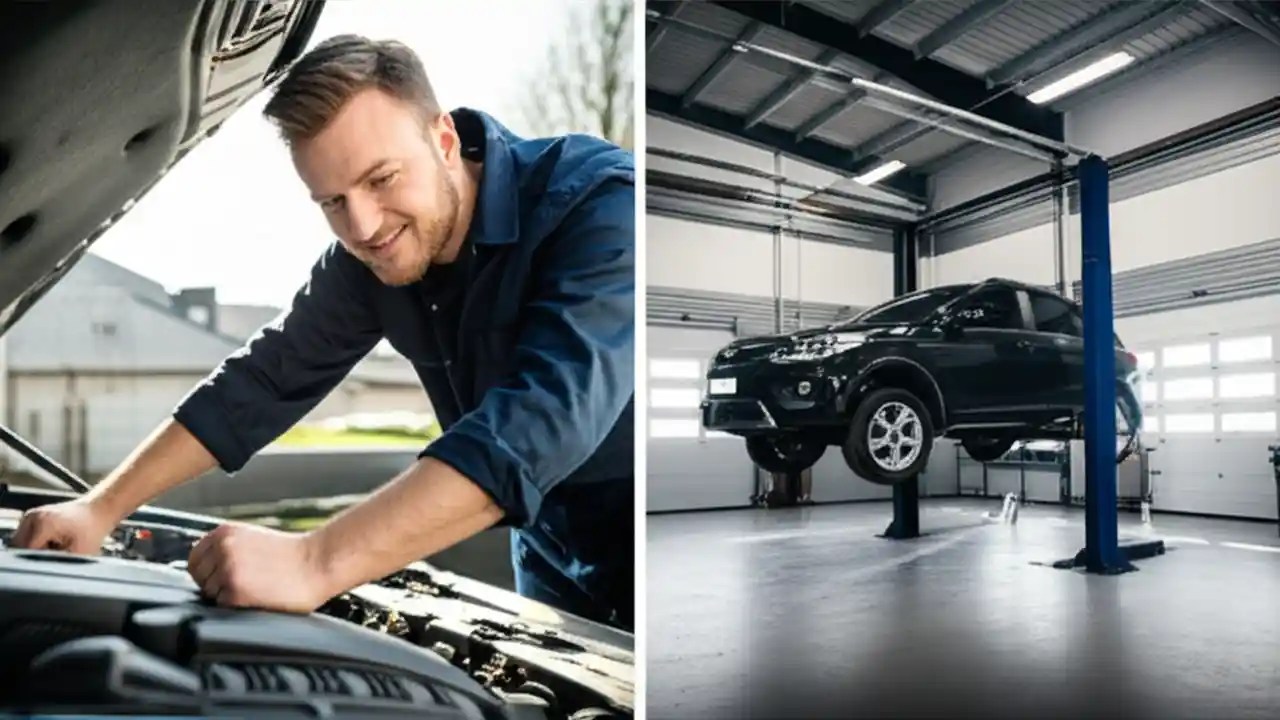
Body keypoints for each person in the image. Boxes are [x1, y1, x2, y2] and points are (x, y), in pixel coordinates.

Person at [10, 35, 636, 630]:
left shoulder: (597, 205)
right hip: (545, 550)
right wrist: (100, 506)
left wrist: (314, 562)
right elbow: (264, 377)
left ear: (443, 139)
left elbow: (538, 421)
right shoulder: (374, 257)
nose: (362, 226)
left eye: (381, 179)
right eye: (331, 202)